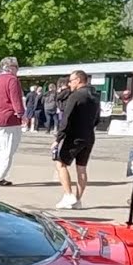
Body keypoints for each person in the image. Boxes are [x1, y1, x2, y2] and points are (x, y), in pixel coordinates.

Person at [52, 69, 99, 210]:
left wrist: (58, 138)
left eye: (71, 81)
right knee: (82, 168)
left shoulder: (76, 96)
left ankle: (68, 195)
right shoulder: (95, 96)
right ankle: (78, 200)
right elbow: (97, 118)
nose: (69, 84)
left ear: (78, 80)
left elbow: (66, 118)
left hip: (74, 135)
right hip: (89, 135)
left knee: (60, 163)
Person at [0, 56, 25, 186]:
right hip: (8, 118)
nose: (17, 70)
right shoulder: (12, 80)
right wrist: (21, 113)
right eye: (16, 67)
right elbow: (15, 98)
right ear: (11, 67)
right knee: (7, 149)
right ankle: (0, 177)